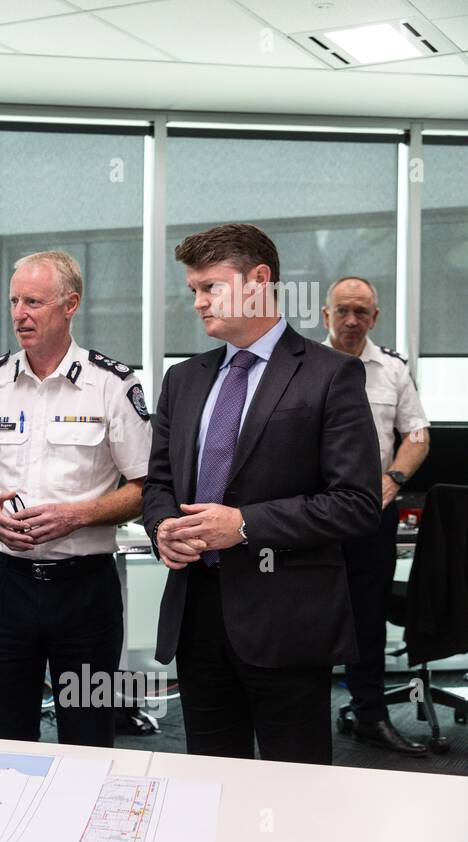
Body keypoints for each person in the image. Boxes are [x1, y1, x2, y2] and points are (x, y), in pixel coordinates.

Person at [143, 223, 380, 765]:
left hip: (287, 620)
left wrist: (244, 525)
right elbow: (157, 483)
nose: (198, 303)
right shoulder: (183, 380)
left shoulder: (330, 375)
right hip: (196, 616)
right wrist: (163, 530)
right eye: (193, 291)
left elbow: (356, 502)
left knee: (294, 788)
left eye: (210, 287)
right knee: (211, 779)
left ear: (259, 280)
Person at [0, 251, 152, 746]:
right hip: (6, 585)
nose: (19, 313)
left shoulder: (113, 385)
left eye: (33, 301)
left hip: (84, 590)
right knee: (7, 734)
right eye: (14, 301)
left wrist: (79, 515)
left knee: (87, 735)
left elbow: (145, 489)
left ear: (70, 305)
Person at [322, 276, 430, 755]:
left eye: (361, 312)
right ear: (325, 315)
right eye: (342, 310)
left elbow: (418, 434)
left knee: (367, 616)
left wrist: (394, 480)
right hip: (313, 515)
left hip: (372, 511)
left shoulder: (392, 369)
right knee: (305, 613)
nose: (351, 320)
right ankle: (294, 716)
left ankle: (370, 715)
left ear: (374, 317)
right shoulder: (301, 366)